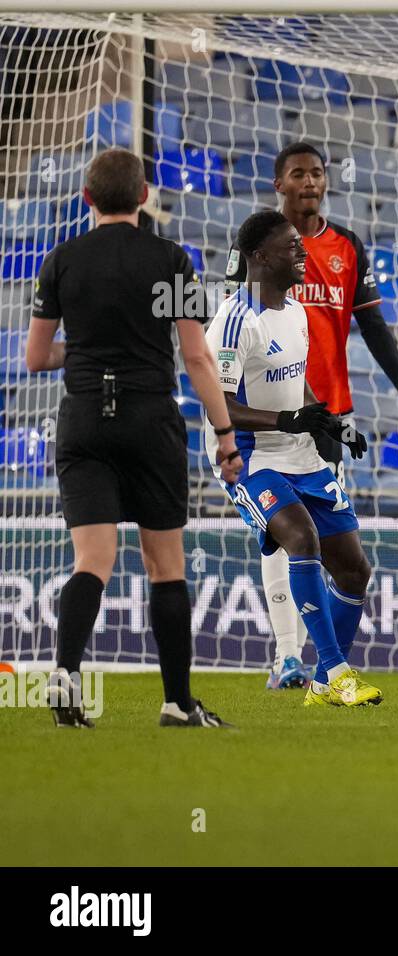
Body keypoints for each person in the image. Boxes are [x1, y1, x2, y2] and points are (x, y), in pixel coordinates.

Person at [26, 147, 242, 729]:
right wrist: (225, 436)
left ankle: (66, 671)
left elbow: (37, 356)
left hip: (85, 419)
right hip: (150, 418)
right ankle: (176, 702)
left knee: (91, 560)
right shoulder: (175, 259)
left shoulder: (61, 259)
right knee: (165, 565)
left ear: (87, 199)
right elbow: (196, 356)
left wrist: (89, 354)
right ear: (144, 197)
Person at [223, 141, 398, 691]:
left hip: (324, 417)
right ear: (280, 185)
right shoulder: (252, 260)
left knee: (333, 551)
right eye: (299, 174)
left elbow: (375, 327)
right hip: (265, 429)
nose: (310, 182)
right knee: (287, 535)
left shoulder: (345, 247)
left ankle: (321, 666)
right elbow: (227, 340)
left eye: (317, 173)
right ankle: (289, 656)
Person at [209, 209, 379, 707]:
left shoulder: (297, 311)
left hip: (301, 454)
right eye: (291, 247)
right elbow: (221, 405)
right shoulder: (234, 318)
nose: (303, 253)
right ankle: (337, 673)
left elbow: (297, 385)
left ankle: (326, 686)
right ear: (260, 257)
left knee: (353, 570)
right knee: (301, 538)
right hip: (249, 458)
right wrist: (284, 422)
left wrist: (326, 420)